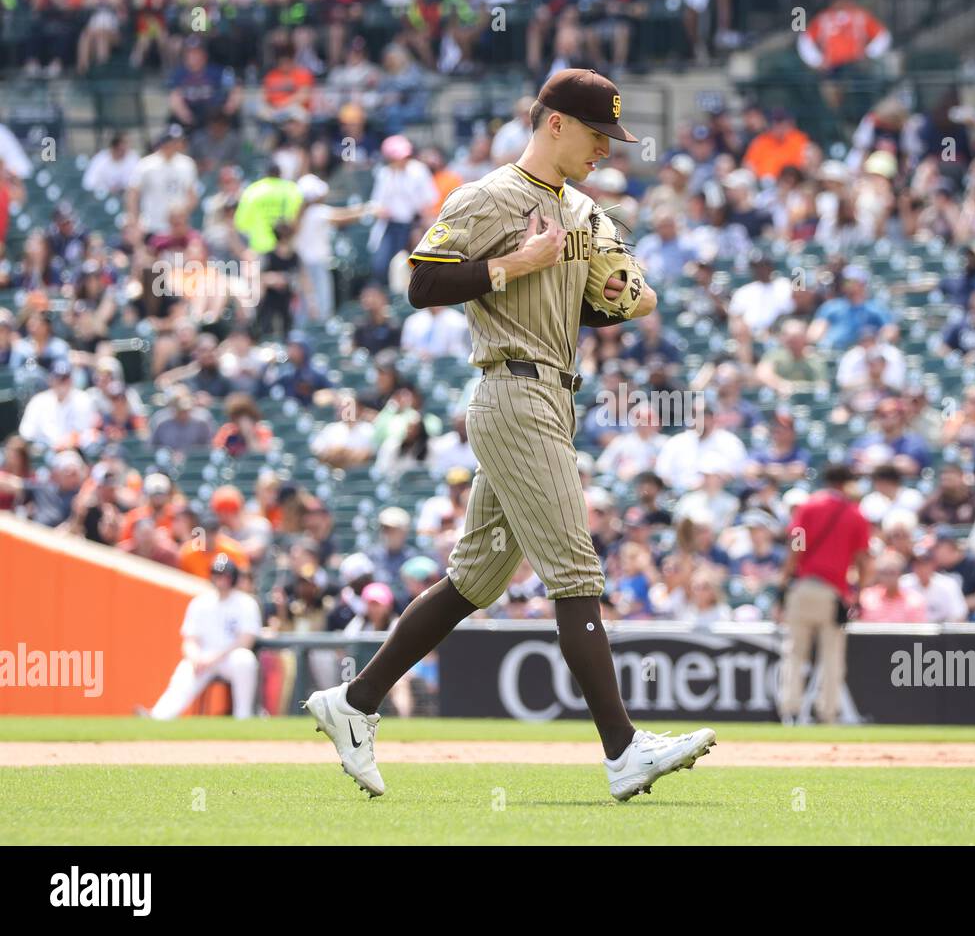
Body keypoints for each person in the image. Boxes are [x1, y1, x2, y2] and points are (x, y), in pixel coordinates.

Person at [304, 69, 714, 802]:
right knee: (575, 572)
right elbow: (422, 283)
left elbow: (588, 302)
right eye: (596, 134)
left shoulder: (583, 209)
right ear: (553, 122)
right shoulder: (487, 196)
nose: (604, 149)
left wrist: (626, 298)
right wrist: (513, 262)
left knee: (473, 581)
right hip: (512, 388)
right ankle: (623, 749)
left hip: (552, 391)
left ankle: (355, 702)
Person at [776, 463, 871, 725]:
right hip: (834, 593)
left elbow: (795, 547)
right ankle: (827, 713)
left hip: (803, 588)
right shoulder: (855, 515)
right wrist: (858, 595)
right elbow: (864, 560)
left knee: (794, 653)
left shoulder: (808, 507)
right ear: (848, 483)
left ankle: (790, 710)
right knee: (832, 657)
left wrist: (784, 583)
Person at [144, 555, 261, 720]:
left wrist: (214, 657)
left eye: (225, 576)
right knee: (185, 670)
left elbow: (245, 640)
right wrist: (196, 658)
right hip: (203, 657)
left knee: (245, 659)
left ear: (233, 578)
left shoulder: (246, 603)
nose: (220, 580)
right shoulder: (200, 602)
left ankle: (243, 716)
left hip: (229, 657)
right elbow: (189, 640)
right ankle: (159, 716)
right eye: (217, 575)